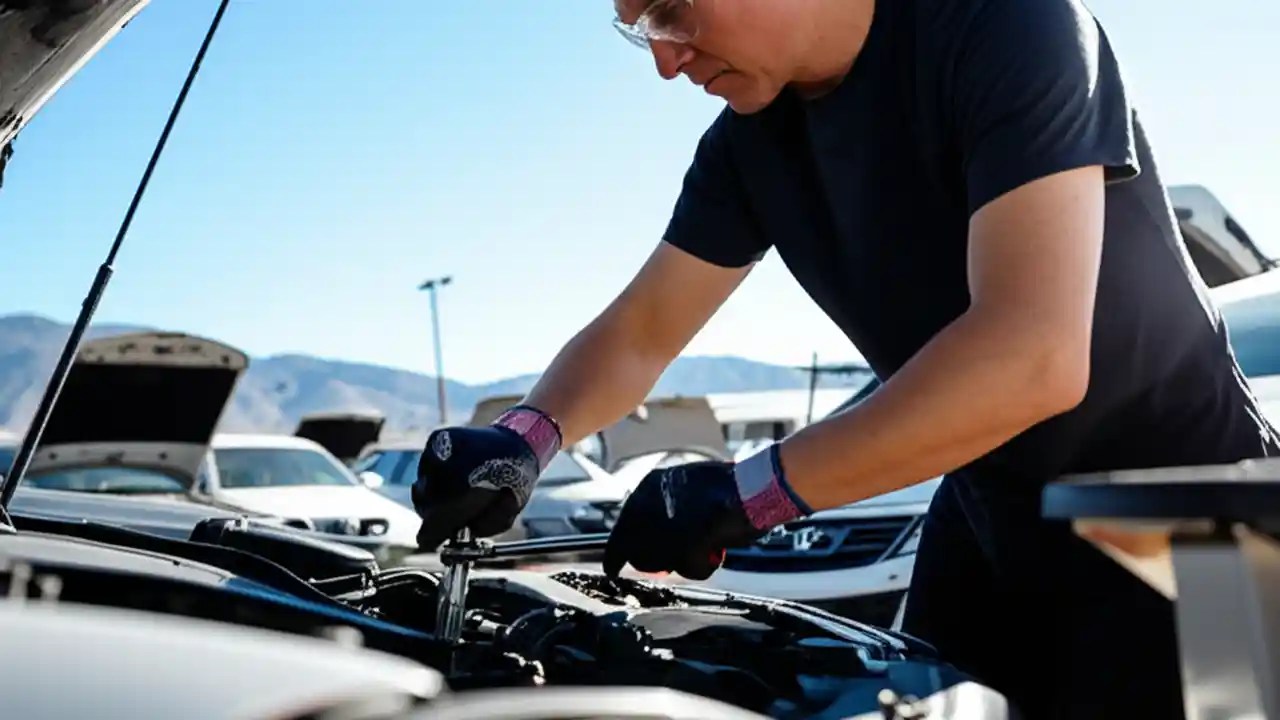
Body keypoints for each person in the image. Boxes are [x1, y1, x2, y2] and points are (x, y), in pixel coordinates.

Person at [410, 0, 1278, 717]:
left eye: (672, 11)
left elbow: (1033, 356)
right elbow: (640, 331)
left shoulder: (1011, 26)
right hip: (988, 515)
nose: (664, 63)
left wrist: (748, 495)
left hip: (1190, 523)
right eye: (638, 26)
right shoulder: (747, 145)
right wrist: (525, 438)